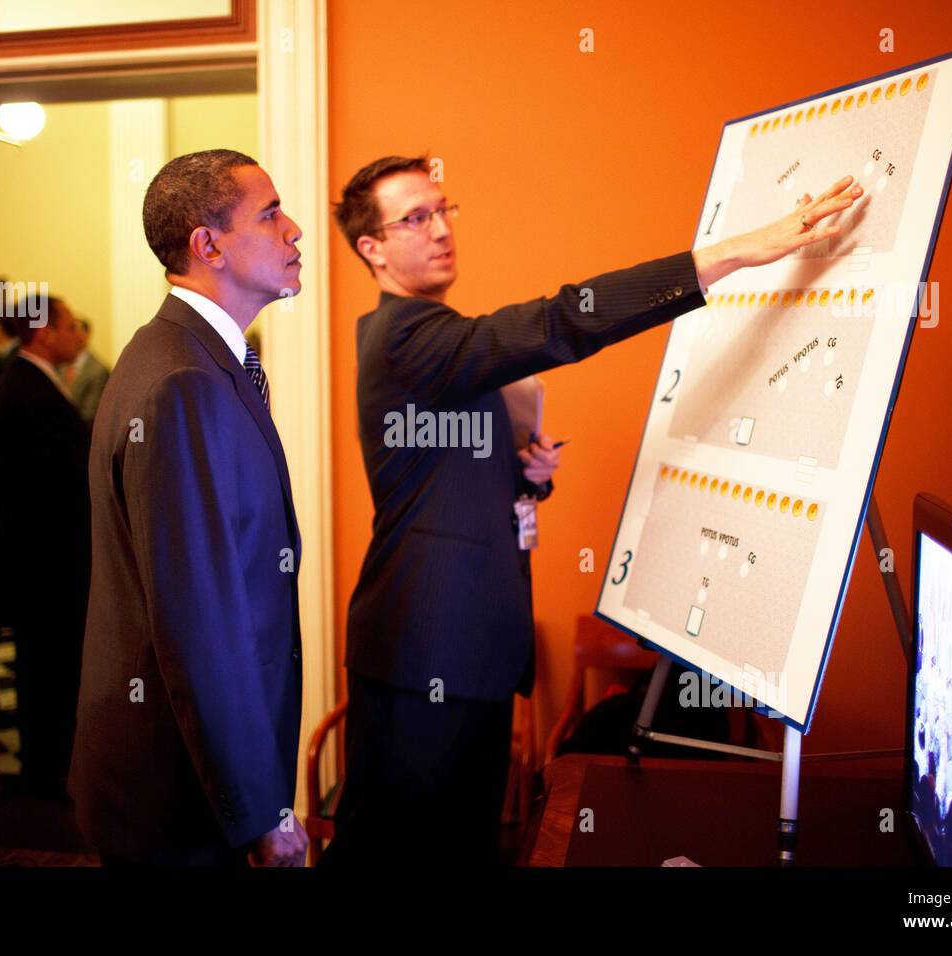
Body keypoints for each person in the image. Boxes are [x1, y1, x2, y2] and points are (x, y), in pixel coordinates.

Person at [324, 154, 863, 864]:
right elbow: (558, 321)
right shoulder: (403, 336)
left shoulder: (436, 344)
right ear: (372, 248)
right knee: (396, 855)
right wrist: (731, 253)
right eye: (415, 218)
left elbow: (440, 476)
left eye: (444, 208)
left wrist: (529, 479)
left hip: (469, 651)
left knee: (460, 849)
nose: (441, 229)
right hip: (427, 651)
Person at [69, 149, 309, 867]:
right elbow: (199, 623)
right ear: (208, 246)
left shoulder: (195, 359)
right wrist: (261, 815)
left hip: (185, 773)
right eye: (269, 214)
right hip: (176, 793)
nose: (293, 229)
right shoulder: (180, 382)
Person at [0, 294, 90, 798]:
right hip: (44, 566)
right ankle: (46, 775)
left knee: (51, 666)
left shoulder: (32, 382)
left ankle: (51, 764)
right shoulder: (26, 390)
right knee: (47, 669)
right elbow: (58, 483)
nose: (77, 334)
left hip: (46, 562)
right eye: (69, 325)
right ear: (43, 333)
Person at [61, 316, 111, 424]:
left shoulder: (98, 371)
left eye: (73, 329)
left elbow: (89, 414)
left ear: (86, 335)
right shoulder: (60, 365)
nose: (69, 335)